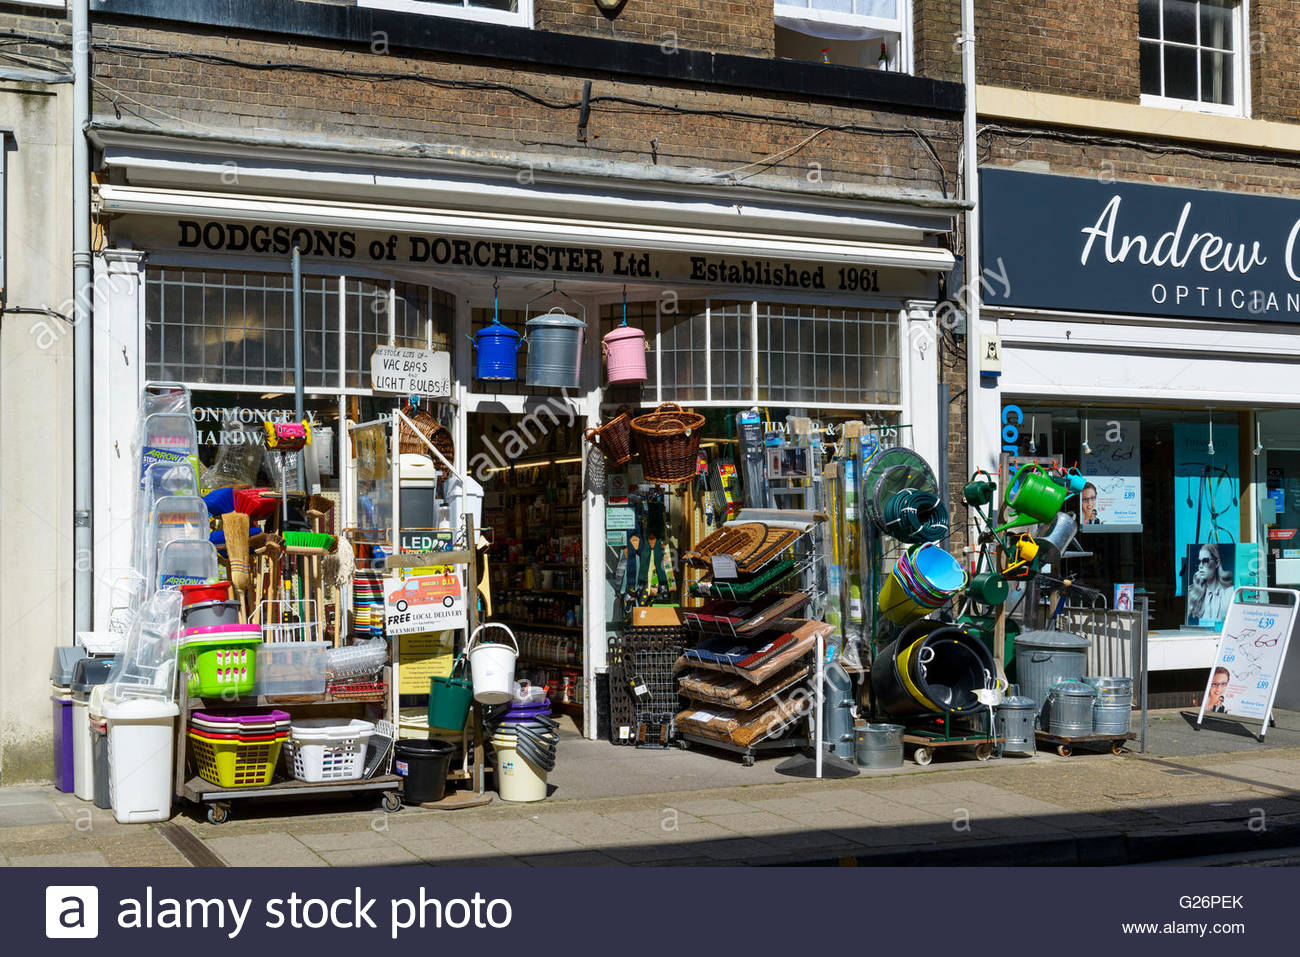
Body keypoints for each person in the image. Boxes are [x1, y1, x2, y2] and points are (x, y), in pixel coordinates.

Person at [1188, 543, 1234, 625]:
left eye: (1205, 561)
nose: (1200, 566)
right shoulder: (1194, 594)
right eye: (1199, 561)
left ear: (1217, 563)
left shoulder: (1230, 593)